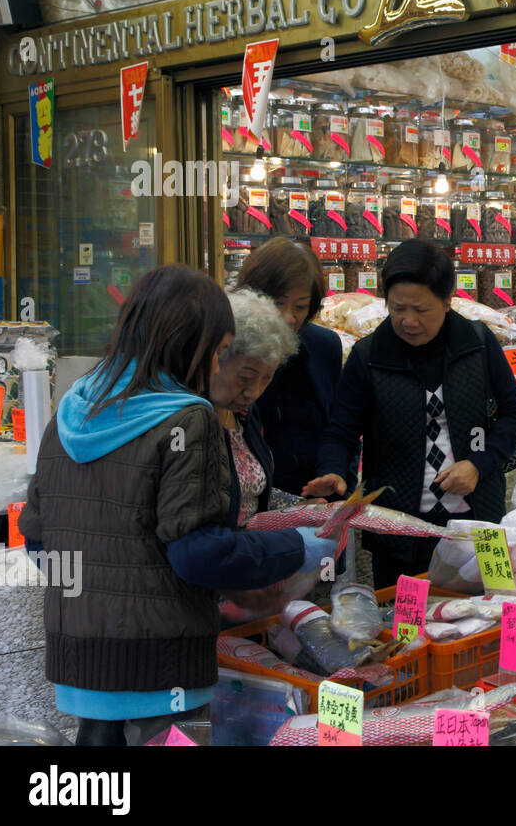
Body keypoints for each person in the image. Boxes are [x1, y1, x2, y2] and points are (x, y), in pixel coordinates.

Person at [18, 265, 334, 746]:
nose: (214, 367)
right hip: (163, 662)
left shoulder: (74, 406)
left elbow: (37, 538)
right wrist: (299, 547)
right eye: (217, 351)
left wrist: (97, 592)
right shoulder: (189, 418)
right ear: (187, 344)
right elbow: (198, 553)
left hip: (78, 659)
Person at [304, 240, 516, 587]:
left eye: (421, 310)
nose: (408, 321)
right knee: (404, 629)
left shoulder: (479, 344)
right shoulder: (369, 357)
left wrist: (479, 463)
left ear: (448, 301)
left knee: (478, 621)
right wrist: (333, 470)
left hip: (475, 523)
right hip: (398, 530)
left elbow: (515, 414)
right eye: (397, 308)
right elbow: (342, 430)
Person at [234, 237, 347, 496]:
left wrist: (334, 471)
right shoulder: (232, 350)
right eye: (278, 303)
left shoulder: (324, 345)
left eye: (300, 306)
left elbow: (338, 425)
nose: (288, 317)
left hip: (317, 497)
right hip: (254, 501)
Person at [208, 288, 299, 526]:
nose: (254, 392)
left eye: (266, 378)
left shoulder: (244, 415)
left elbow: (250, 492)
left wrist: (299, 507)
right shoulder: (191, 422)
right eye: (245, 378)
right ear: (215, 358)